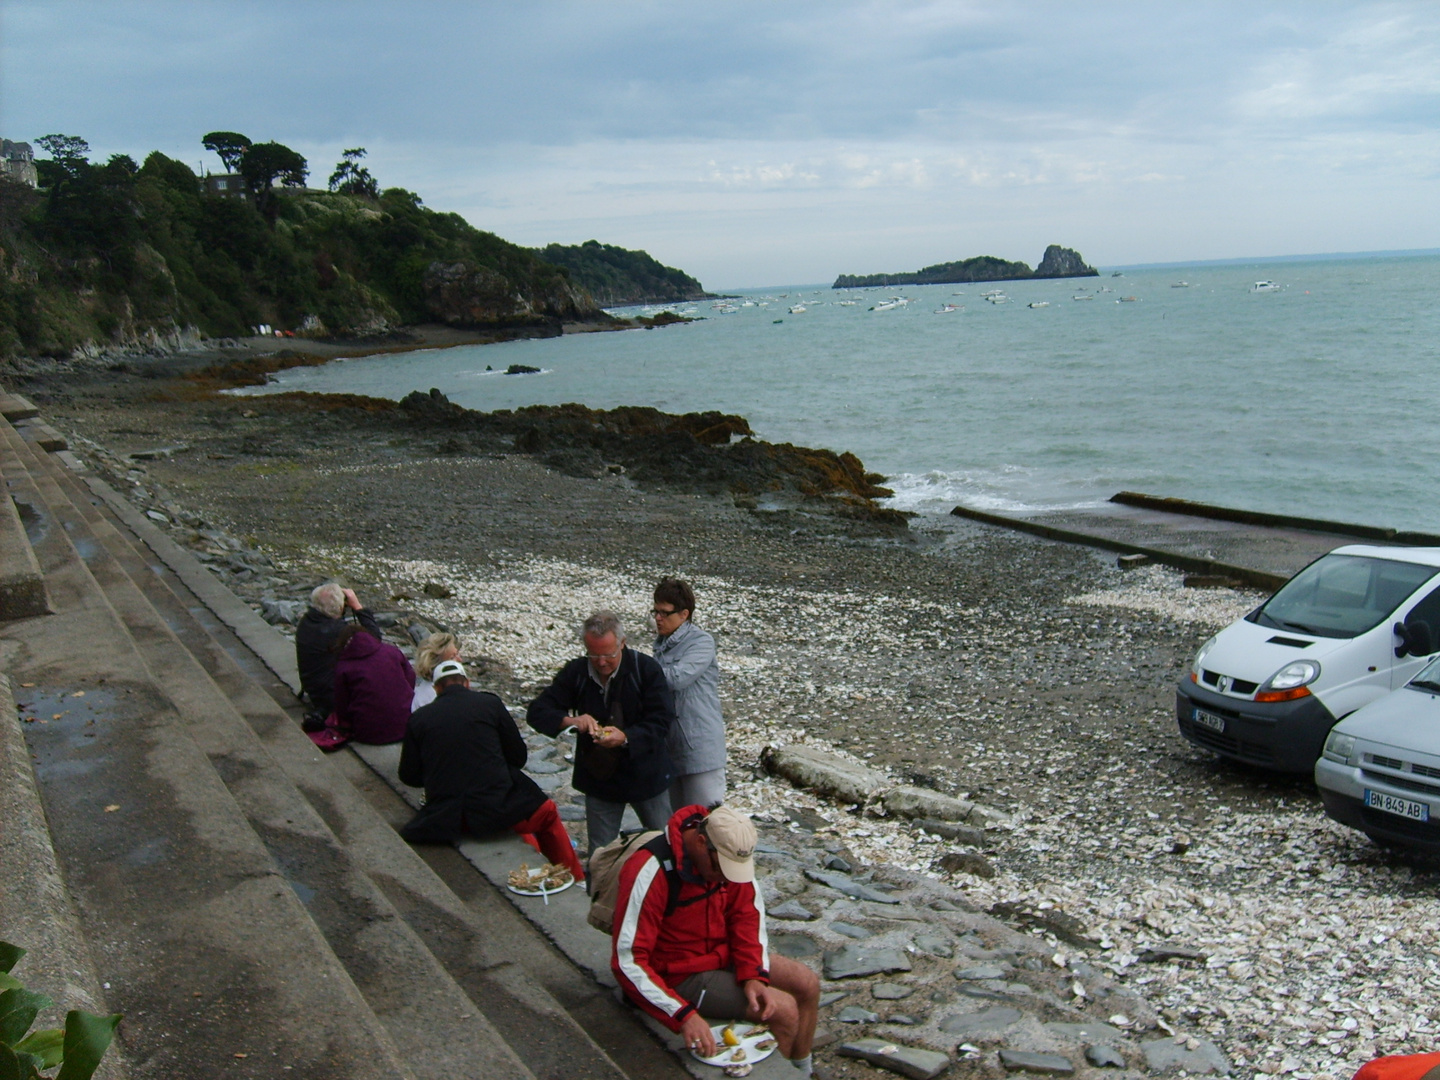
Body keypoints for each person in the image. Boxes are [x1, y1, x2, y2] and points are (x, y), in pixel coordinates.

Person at [612, 804, 822, 1077]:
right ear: (701, 842)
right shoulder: (650, 870)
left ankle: (802, 1070)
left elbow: (747, 917)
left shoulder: (727, 858)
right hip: (677, 975)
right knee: (783, 1010)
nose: (727, 877)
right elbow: (628, 961)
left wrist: (753, 975)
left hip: (720, 955)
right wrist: (682, 1015)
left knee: (807, 983)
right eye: (721, 868)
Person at [399, 659, 585, 881]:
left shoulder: (419, 718)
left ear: (437, 688)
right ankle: (575, 877)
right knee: (546, 812)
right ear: (467, 683)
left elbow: (409, 775)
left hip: (445, 816)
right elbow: (518, 756)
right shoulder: (490, 704)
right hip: (493, 812)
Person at [527, 611, 675, 853]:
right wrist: (571, 720)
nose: (602, 662)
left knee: (665, 845)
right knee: (600, 854)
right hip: (600, 777)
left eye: (608, 654)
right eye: (594, 655)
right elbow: (537, 711)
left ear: (622, 643)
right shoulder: (577, 672)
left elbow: (661, 721)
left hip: (646, 774)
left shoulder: (646, 669)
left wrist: (626, 737)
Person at [651, 578, 726, 811]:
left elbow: (676, 678)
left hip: (700, 749)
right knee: (677, 822)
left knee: (705, 821)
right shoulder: (661, 645)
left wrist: (637, 671)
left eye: (664, 613)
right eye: (655, 611)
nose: (658, 618)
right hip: (671, 749)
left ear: (684, 614)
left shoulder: (702, 642)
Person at [295, 582, 379, 718]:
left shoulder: (307, 620)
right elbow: (374, 641)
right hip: (331, 698)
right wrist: (357, 607)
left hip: (314, 689)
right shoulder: (337, 631)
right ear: (341, 607)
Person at [332, 622, 415, 744]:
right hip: (406, 725)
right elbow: (411, 677)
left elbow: (342, 704)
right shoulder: (392, 651)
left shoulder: (344, 667)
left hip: (368, 733)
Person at [411, 632, 460, 712]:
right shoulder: (431, 697)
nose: (460, 660)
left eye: (457, 654)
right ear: (436, 664)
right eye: (452, 658)